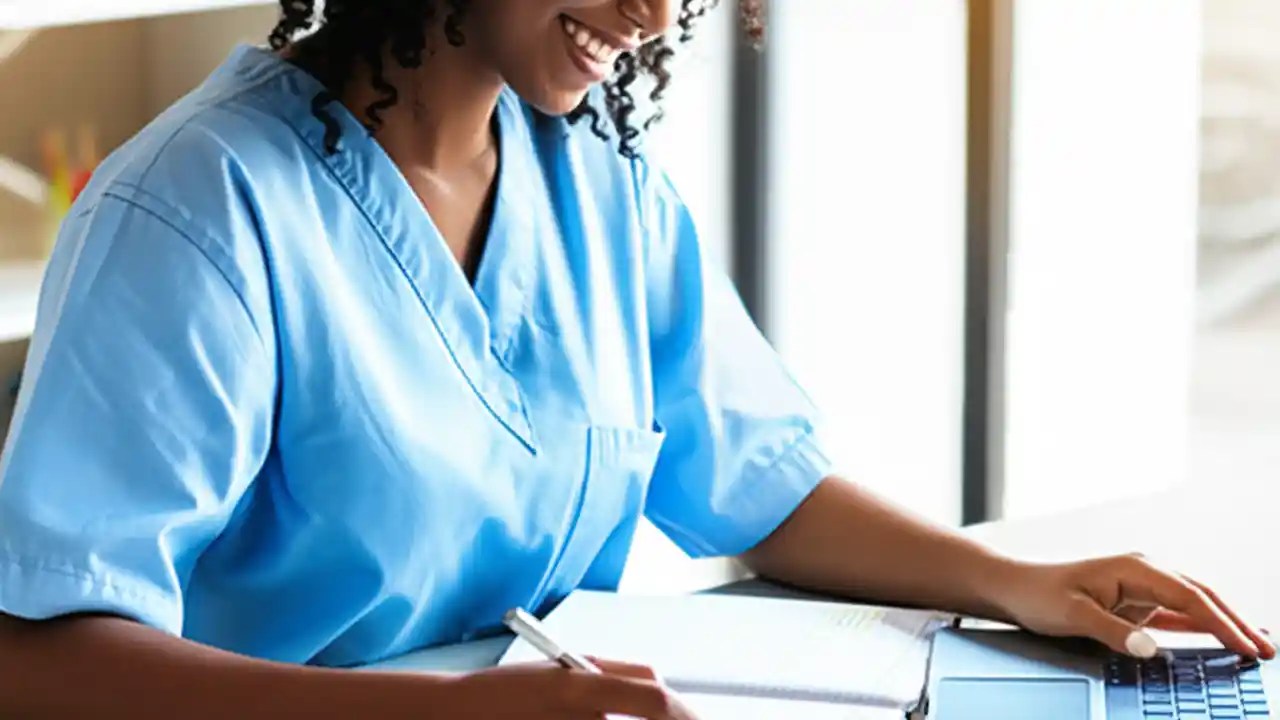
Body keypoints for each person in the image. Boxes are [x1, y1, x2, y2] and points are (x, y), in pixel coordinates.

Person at [0, 1, 1272, 717]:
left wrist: (1019, 584)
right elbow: (40, 657)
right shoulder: (197, 210)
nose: (653, 13)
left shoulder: (598, 187)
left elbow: (760, 484)